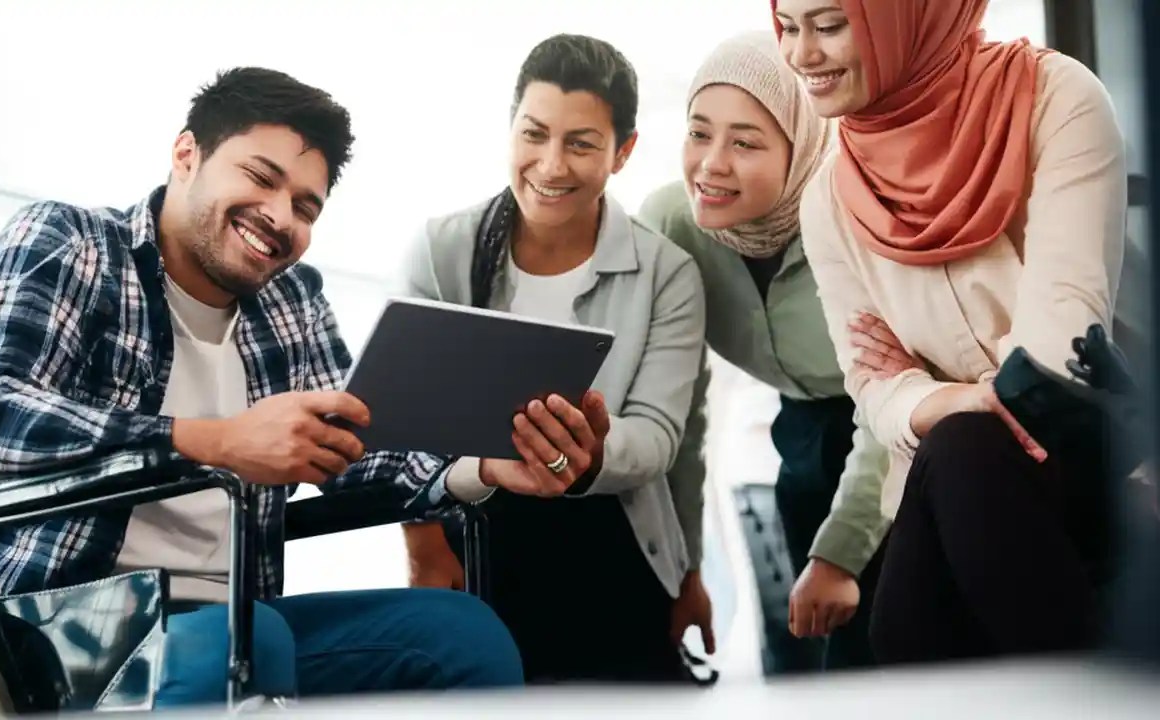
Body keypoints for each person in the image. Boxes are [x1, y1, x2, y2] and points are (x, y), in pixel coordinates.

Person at [0, 67, 543, 706]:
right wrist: (215, 441)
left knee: (463, 636)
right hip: (64, 628)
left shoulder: (293, 299)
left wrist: (482, 466)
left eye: (305, 206)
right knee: (243, 639)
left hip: (241, 617)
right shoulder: (74, 243)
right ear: (187, 154)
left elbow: (356, 450)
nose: (279, 216)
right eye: (260, 177)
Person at [773, 0, 1128, 664]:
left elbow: (1057, 356)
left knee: (962, 456)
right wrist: (953, 399)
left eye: (828, 25)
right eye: (787, 27)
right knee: (962, 451)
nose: (800, 55)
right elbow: (872, 390)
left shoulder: (1057, 100)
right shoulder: (830, 193)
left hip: (1096, 461)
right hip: (957, 482)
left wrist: (929, 391)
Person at [394, 34, 709, 683]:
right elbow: (402, 427)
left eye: (581, 143)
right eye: (534, 135)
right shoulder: (441, 250)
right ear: (511, 129)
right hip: (477, 538)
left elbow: (660, 436)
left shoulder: (666, 274)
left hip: (611, 540)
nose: (551, 164)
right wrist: (424, 547)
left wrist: (591, 453)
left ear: (623, 152)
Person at [638, 31, 888, 672]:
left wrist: (841, 553)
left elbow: (896, 397)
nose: (711, 164)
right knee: (817, 657)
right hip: (801, 432)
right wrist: (686, 568)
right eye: (699, 133)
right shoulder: (672, 224)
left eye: (745, 142)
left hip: (901, 433)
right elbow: (679, 409)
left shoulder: (858, 218)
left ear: (800, 146)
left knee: (884, 645)